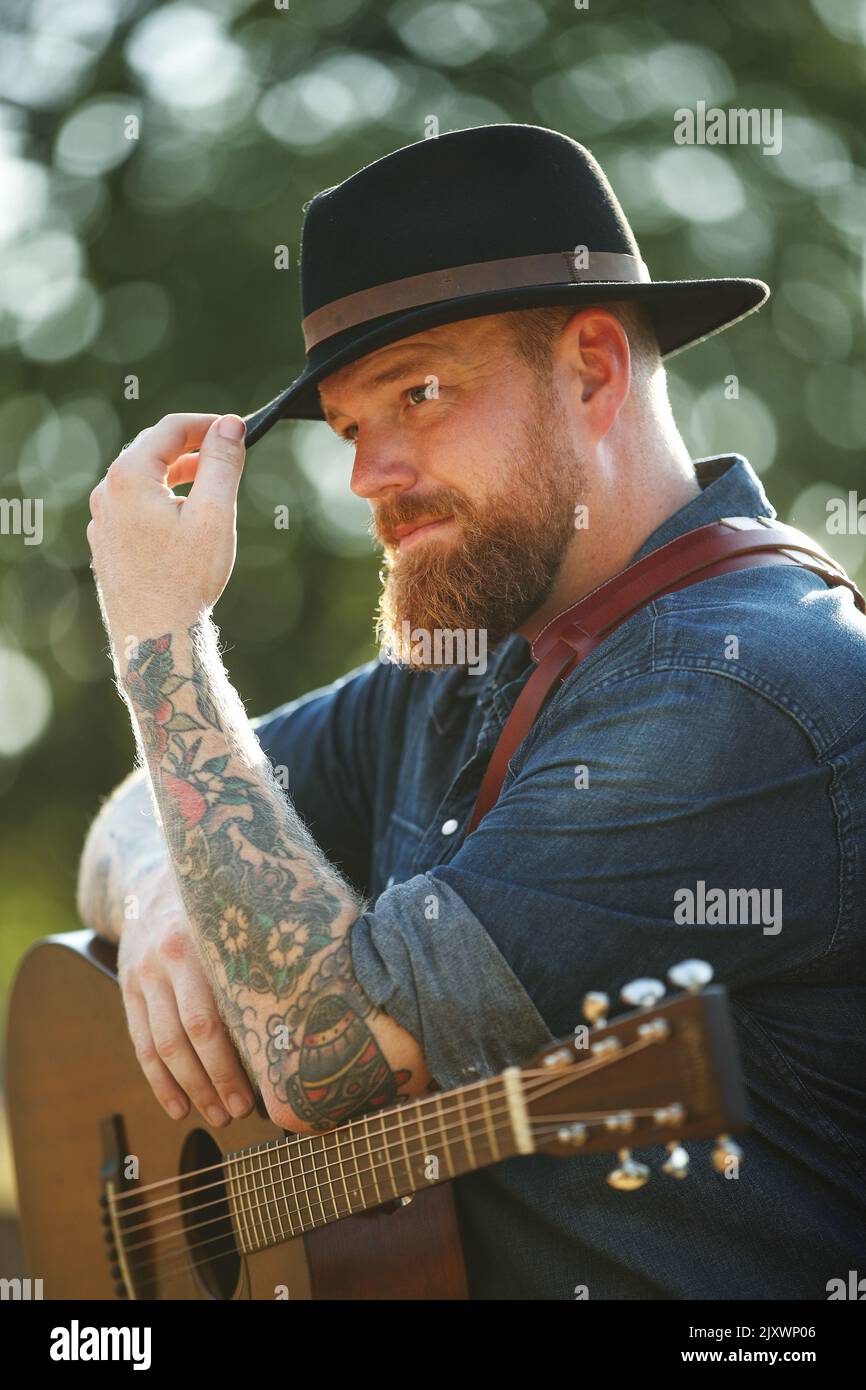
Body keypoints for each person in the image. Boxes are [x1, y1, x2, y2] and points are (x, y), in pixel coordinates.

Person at [78, 125, 866, 1299]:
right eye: (349, 427)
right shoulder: (456, 667)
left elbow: (320, 1061)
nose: (365, 475)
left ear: (592, 368)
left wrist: (161, 643)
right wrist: (163, 894)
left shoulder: (731, 687)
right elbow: (135, 816)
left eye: (420, 392)